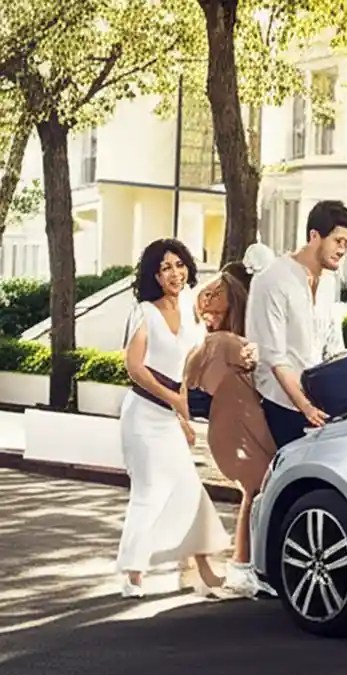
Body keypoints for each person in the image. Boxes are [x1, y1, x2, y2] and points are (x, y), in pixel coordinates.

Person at [116, 238, 230, 599]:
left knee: (188, 488)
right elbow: (134, 367)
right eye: (166, 267)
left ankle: (202, 569)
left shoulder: (190, 310)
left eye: (179, 265)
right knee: (149, 492)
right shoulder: (145, 312)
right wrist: (173, 402)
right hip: (142, 415)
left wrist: (183, 419)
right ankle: (132, 574)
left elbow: (184, 374)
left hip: (168, 416)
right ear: (155, 274)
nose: (175, 273)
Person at [183, 264, 276, 598]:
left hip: (242, 422)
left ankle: (245, 562)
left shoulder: (227, 340)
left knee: (255, 492)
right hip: (237, 425)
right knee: (256, 490)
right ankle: (243, 564)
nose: (207, 306)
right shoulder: (225, 343)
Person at [246, 200, 347, 448]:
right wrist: (305, 407)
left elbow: (334, 347)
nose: (343, 250)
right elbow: (274, 357)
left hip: (318, 404)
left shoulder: (329, 283)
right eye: (338, 241)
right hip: (280, 403)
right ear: (315, 236)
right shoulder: (272, 279)